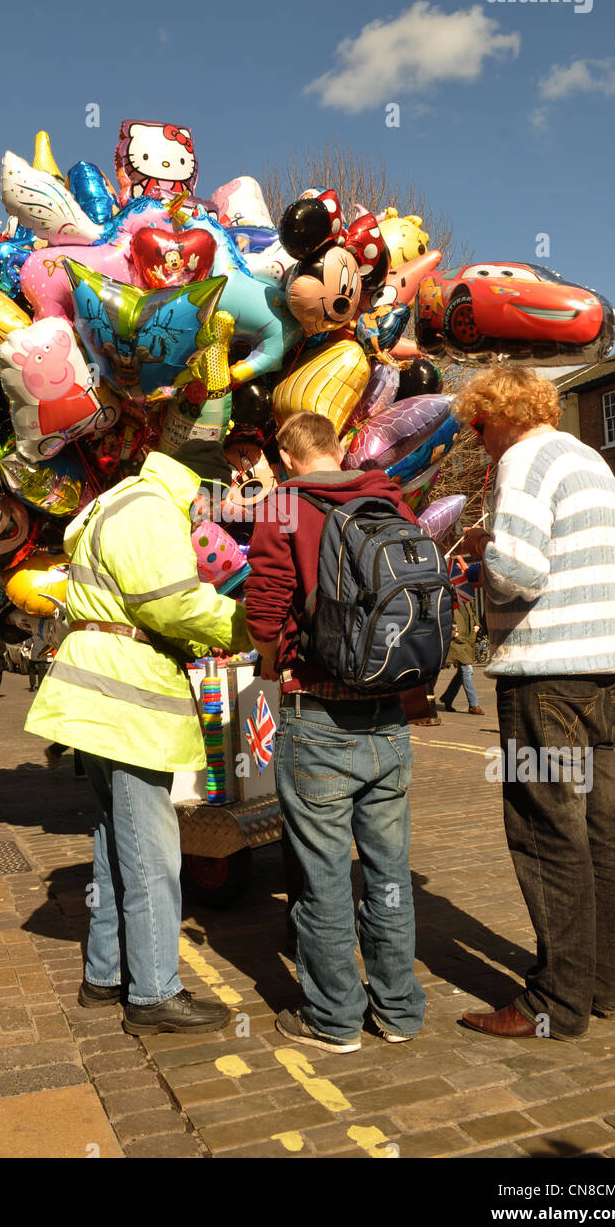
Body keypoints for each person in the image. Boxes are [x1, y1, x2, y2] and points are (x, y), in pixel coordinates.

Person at [25, 443, 252, 1036]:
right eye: (221, 493)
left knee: (113, 836)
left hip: (100, 697)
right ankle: (154, 993)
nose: (218, 510)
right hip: (126, 699)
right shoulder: (151, 508)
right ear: (199, 482)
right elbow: (171, 603)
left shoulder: (123, 500)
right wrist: (250, 623)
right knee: (152, 849)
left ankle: (105, 974)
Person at [455, 367, 615, 1041]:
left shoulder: (524, 459)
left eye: (477, 425)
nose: (478, 441)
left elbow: (519, 572)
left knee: (544, 835)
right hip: (599, 676)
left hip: (543, 679)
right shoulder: (585, 457)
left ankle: (553, 1002)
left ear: (499, 413)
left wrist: (479, 546)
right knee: (598, 833)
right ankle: (600, 985)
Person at [245, 411, 427, 1053]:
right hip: (387, 711)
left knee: (322, 876)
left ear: (290, 456)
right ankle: (400, 1010)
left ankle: (334, 1019)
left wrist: (268, 665)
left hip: (316, 710)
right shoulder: (389, 497)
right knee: (387, 872)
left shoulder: (285, 506)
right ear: (339, 448)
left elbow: (267, 603)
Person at [439, 594, 484, 715]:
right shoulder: (449, 599)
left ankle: (448, 697)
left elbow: (472, 615)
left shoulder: (467, 597)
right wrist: (455, 635)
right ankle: (474, 705)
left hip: (467, 640)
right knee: (467, 670)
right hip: (456, 642)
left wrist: (477, 625)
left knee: (462, 672)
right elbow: (445, 618)